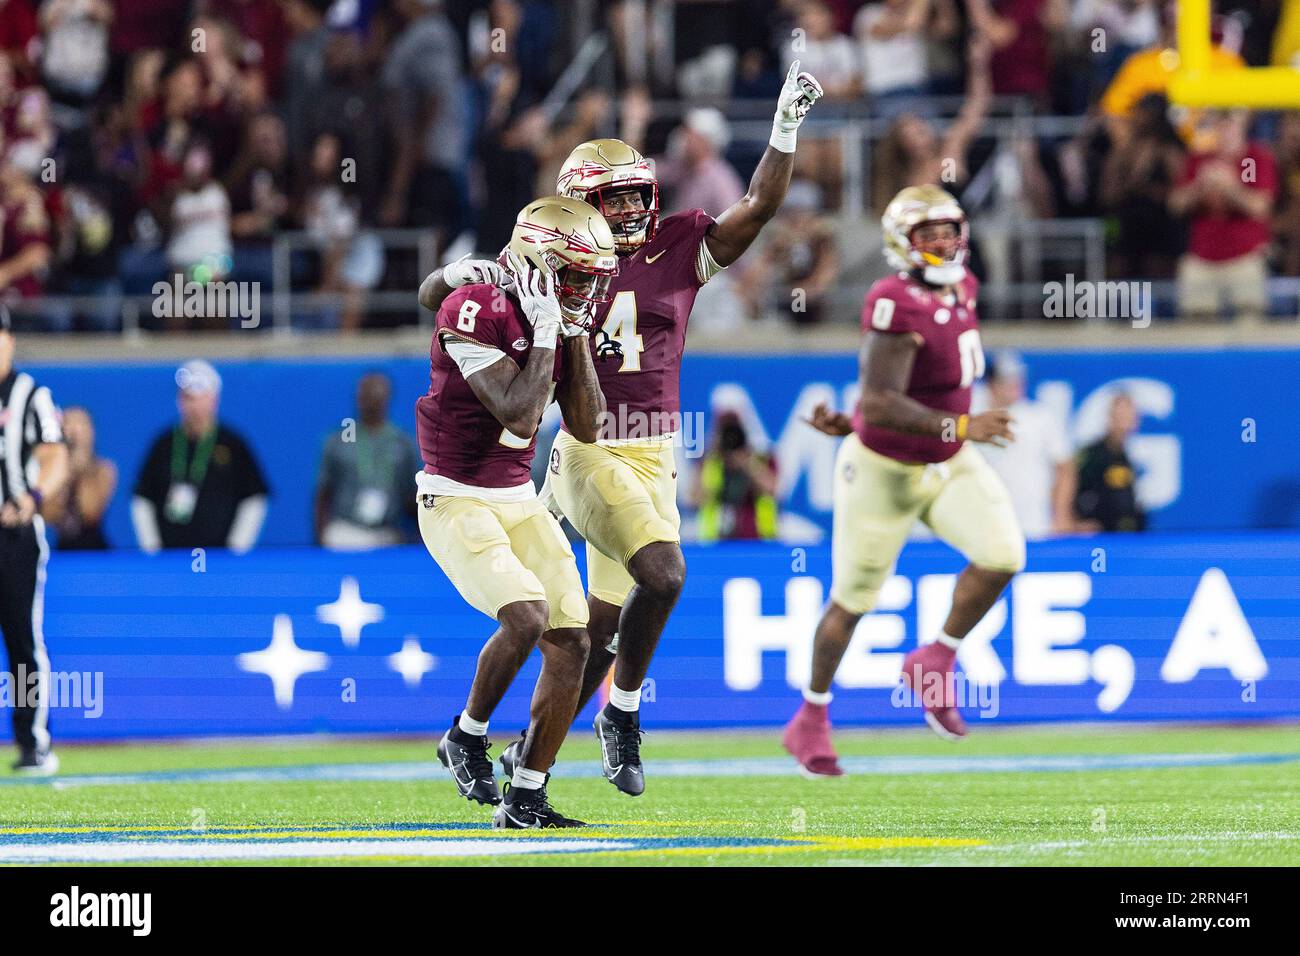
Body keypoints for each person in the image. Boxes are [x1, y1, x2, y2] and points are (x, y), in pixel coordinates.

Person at [421, 62, 824, 797]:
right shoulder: (555, 262)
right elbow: (447, 296)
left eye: (641, 193)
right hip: (588, 448)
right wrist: (468, 276)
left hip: (655, 454)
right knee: (665, 573)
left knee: (591, 642)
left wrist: (783, 127)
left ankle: (517, 759)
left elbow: (759, 207)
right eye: (617, 198)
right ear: (580, 204)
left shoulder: (676, 246)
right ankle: (623, 718)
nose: (635, 209)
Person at [785, 185, 1026, 775]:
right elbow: (882, 400)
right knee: (851, 603)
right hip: (883, 472)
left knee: (1003, 555)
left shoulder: (963, 285)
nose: (943, 243)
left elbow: (899, 395)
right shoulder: (892, 300)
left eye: (948, 231)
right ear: (903, 243)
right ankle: (810, 715)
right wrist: (959, 425)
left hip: (946, 463)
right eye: (929, 234)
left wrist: (940, 429)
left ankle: (935, 659)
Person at [418, 196, 611, 829]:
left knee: (575, 641)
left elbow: (586, 424)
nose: (585, 287)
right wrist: (549, 329)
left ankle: (527, 793)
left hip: (516, 497)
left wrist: (570, 332)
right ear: (541, 260)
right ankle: (467, 736)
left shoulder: (554, 311)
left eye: (591, 275)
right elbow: (521, 414)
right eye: (576, 273)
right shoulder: (477, 307)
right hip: (454, 494)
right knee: (526, 615)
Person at [0, 306, 68, 774]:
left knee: (22, 639)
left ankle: (32, 742)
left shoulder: (30, 394)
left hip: (13, 533)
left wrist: (32, 498)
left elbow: (54, 454)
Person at [131, 360, 269, 554]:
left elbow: (255, 496)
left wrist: (237, 547)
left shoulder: (233, 444)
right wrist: (151, 547)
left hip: (220, 557)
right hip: (171, 556)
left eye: (200, 398)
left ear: (214, 399)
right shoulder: (164, 443)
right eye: (188, 398)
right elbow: (142, 497)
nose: (194, 406)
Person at [1168, 110, 1277, 321]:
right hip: (1202, 256)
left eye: (1232, 126)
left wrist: (1231, 187)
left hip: (1245, 255)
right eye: (1222, 126)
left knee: (1251, 322)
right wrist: (1200, 185)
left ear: (1243, 127)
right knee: (1196, 326)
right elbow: (1175, 205)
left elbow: (1260, 207)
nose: (1227, 132)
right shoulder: (1199, 159)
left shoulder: (1253, 160)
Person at [974, 351, 1075, 540]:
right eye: (1007, 380)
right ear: (991, 384)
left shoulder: (1039, 417)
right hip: (984, 522)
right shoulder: (975, 420)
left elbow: (1064, 468)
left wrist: (1061, 515)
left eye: (1018, 378)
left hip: (1034, 522)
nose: (1015, 384)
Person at [315, 372, 420, 550]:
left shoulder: (403, 442)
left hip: (387, 532)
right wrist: (319, 537)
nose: (372, 400)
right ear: (357, 398)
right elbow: (324, 493)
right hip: (345, 529)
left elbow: (413, 495)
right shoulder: (338, 440)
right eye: (366, 394)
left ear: (388, 398)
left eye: (377, 394)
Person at [692, 411, 778, 541]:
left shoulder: (762, 459)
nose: (730, 439)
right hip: (715, 542)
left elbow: (772, 490)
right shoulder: (710, 462)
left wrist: (748, 462)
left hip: (757, 542)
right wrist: (713, 454)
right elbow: (694, 500)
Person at [1074, 392, 1146, 532]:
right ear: (1111, 417)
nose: (1126, 420)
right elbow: (1071, 486)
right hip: (1099, 538)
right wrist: (1074, 522)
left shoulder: (1126, 454)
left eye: (1130, 415)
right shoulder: (1093, 454)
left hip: (1124, 534)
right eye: (1121, 415)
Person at [46, 406, 116, 550]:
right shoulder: (53, 472)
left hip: (96, 552)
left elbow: (90, 512)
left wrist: (81, 460)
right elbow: (49, 515)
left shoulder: (104, 470)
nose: (75, 429)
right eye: (69, 422)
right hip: (62, 552)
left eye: (81, 423)